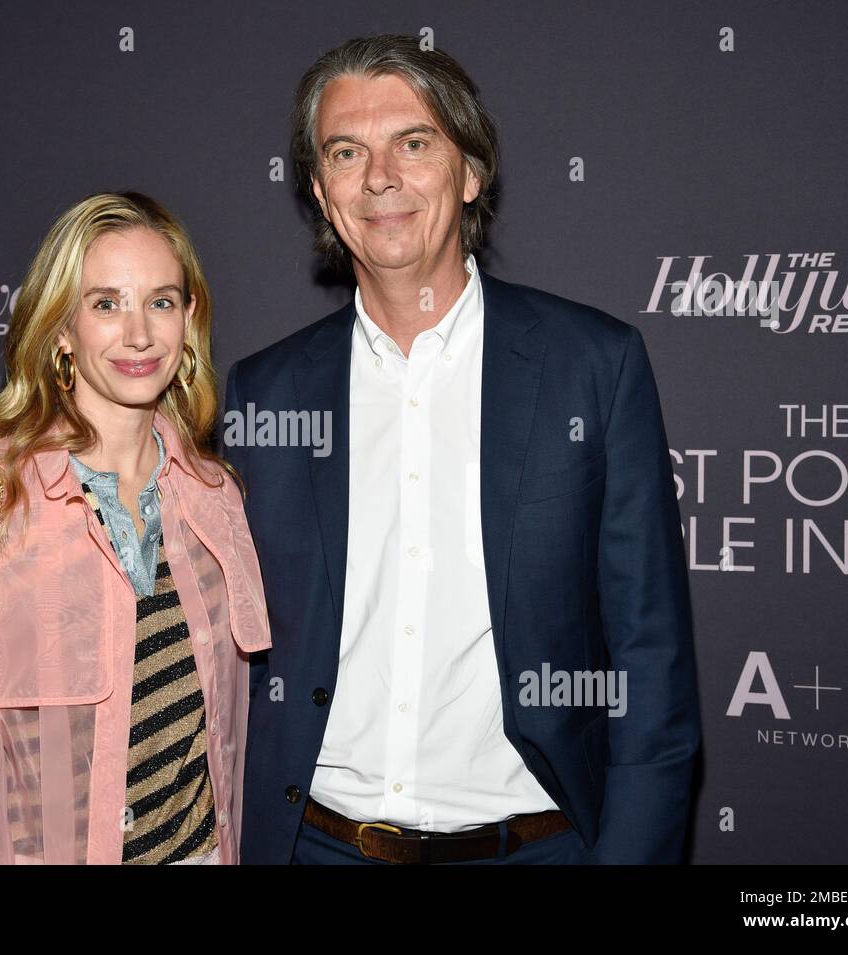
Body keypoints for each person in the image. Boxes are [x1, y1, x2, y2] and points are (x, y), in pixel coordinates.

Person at [226, 34, 700, 864]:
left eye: (413, 143)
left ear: (471, 172)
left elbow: (650, 659)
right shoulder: (266, 391)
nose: (380, 177)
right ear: (318, 190)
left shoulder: (593, 366)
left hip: (536, 848)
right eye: (346, 151)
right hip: (315, 847)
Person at [0, 191, 271, 864]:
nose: (138, 334)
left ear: (190, 320)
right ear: (61, 328)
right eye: (106, 303)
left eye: (160, 301)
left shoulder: (215, 497)